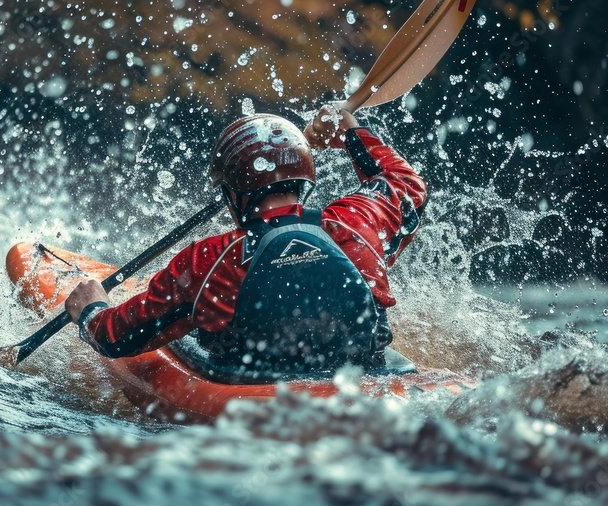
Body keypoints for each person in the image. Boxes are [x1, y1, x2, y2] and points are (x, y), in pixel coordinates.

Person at [64, 104, 427, 381]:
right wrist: (350, 131)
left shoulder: (206, 260)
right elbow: (406, 183)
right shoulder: (358, 222)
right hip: (366, 380)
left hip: (256, 389)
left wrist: (91, 312)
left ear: (233, 193)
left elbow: (116, 338)